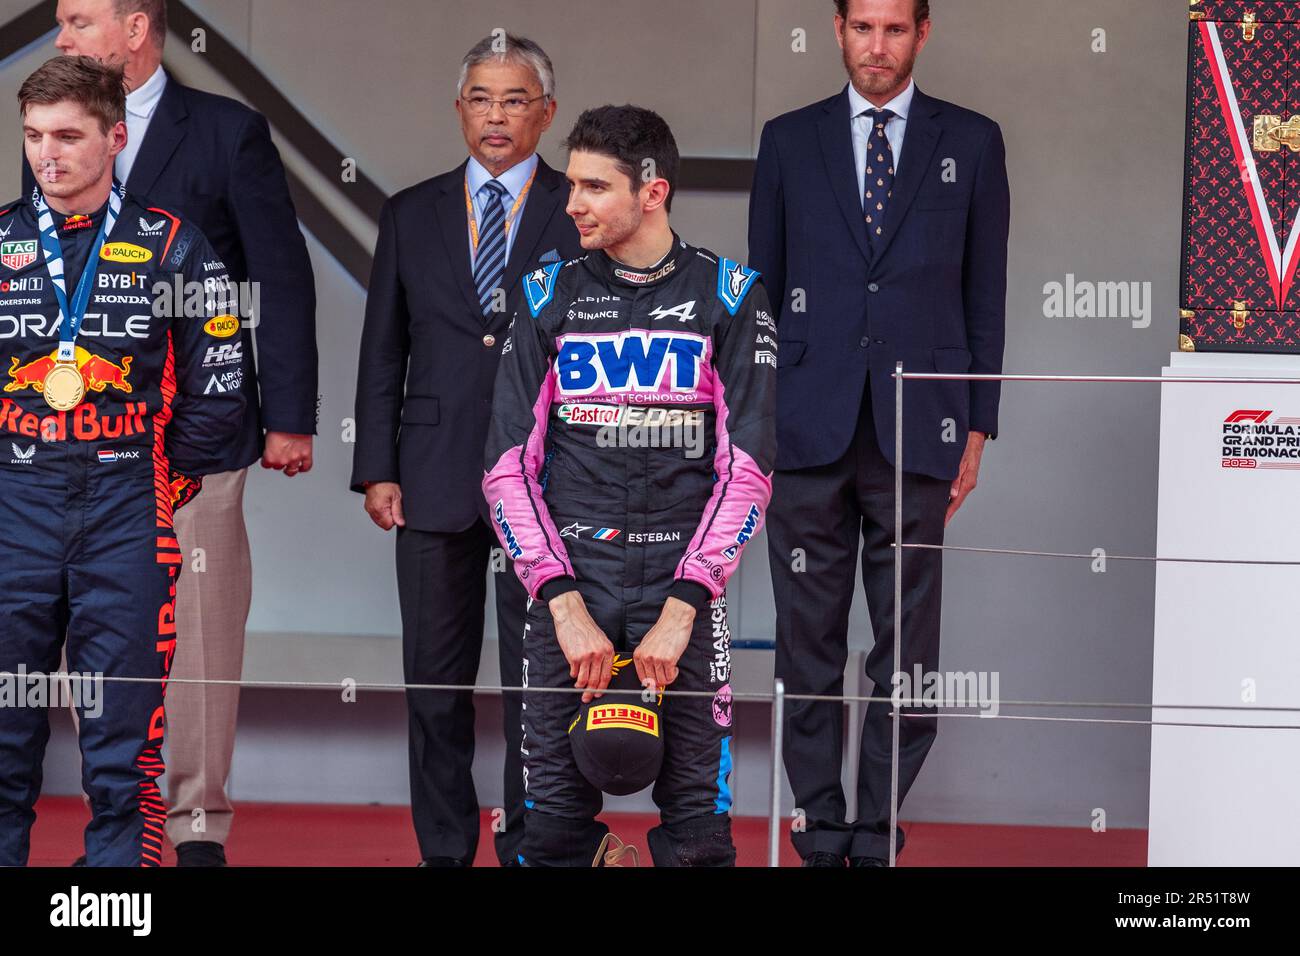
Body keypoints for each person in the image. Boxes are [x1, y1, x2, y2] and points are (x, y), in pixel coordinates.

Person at [26, 0, 319, 867]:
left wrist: (291, 418)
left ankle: (194, 833)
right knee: (95, 640)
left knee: (196, 632)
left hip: (194, 441)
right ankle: (120, 830)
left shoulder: (227, 131)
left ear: (136, 28)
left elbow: (281, 274)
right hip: (68, 445)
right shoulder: (55, 136)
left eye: (78, 20)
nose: (62, 37)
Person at [748, 0, 1009, 866]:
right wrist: (759, 424)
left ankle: (875, 825)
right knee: (807, 639)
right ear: (837, 29)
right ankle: (822, 826)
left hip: (921, 432)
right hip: (807, 430)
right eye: (864, 27)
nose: (878, 45)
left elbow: (985, 298)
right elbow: (763, 302)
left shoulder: (971, 141)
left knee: (910, 648)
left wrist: (977, 429)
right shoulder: (789, 141)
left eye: (896, 29)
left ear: (922, 34)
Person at [484, 104, 776, 867]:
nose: (572, 201)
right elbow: (505, 466)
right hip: (569, 582)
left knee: (700, 838)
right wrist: (561, 602)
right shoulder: (547, 294)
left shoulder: (732, 295)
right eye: (572, 183)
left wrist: (686, 606)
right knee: (547, 836)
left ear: (653, 192)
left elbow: (749, 468)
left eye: (594, 186)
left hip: (680, 587)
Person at [0, 55, 246, 867]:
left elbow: (218, 396)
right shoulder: (0, 242)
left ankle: (112, 906)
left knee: (123, 748)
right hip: (14, 505)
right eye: (33, 135)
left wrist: (157, 487)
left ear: (115, 136)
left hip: (127, 508)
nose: (47, 154)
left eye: (67, 135)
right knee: (2, 738)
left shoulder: (176, 246)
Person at [351, 34, 581, 867]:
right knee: (435, 688)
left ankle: (533, 845)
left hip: (549, 478)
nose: (496, 115)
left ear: (546, 113)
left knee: (539, 692)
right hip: (432, 476)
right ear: (459, 110)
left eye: (515, 99)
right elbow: (384, 349)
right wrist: (377, 467)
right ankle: (444, 851)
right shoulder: (410, 212)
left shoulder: (579, 204)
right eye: (481, 98)